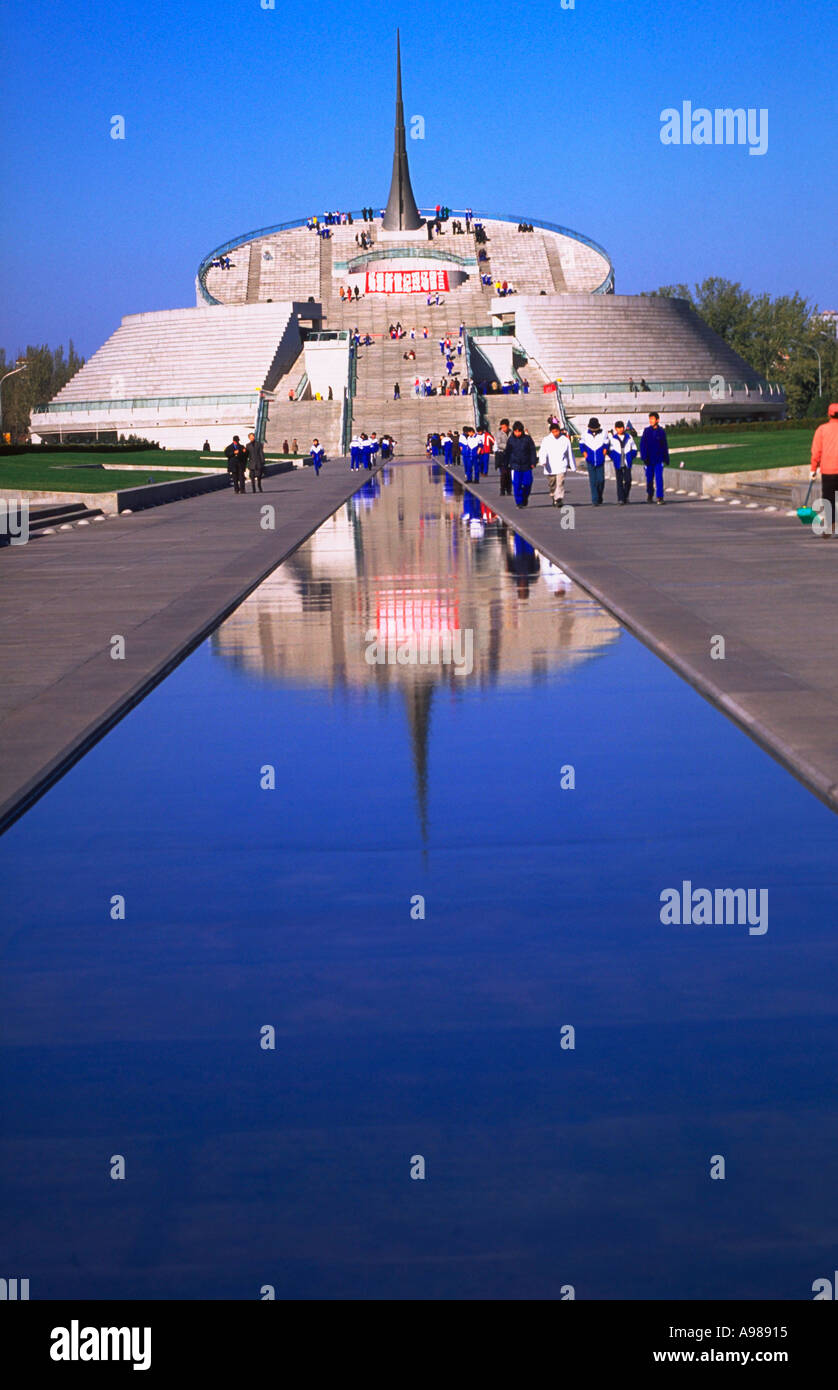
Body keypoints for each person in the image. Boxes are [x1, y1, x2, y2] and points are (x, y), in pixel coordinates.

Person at [811, 402, 838, 535]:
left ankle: (831, 524)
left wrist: (813, 468)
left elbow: (816, 451)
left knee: (828, 499)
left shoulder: (821, 430)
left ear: (829, 414)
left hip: (828, 471)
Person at [539, 422, 575, 506]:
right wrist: (543, 460)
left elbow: (569, 453)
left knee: (560, 483)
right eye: (553, 432)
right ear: (551, 431)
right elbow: (542, 451)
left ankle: (559, 499)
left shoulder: (565, 440)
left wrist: (572, 465)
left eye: (557, 431)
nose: (556, 433)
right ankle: (553, 495)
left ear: (559, 430)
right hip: (550, 466)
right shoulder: (546, 440)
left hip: (561, 465)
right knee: (552, 484)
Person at [505, 420, 537, 507]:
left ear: (522, 431)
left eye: (519, 431)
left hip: (526, 465)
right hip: (515, 466)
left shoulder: (527, 439)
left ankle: (525, 496)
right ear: (514, 431)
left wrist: (533, 462)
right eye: (516, 431)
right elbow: (507, 452)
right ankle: (519, 502)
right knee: (517, 484)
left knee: (528, 483)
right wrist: (506, 464)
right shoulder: (511, 440)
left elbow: (532, 451)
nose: (517, 433)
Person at [639, 411, 669, 504]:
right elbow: (642, 444)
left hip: (658, 459)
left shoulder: (661, 432)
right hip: (648, 460)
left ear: (657, 420)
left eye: (653, 419)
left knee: (659, 478)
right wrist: (644, 457)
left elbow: (664, 445)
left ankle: (660, 497)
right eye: (650, 419)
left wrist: (666, 458)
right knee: (649, 479)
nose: (651, 421)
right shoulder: (647, 431)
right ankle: (650, 494)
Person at [579, 418, 609, 505]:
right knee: (593, 481)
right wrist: (586, 455)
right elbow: (582, 446)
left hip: (600, 460)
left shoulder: (603, 433)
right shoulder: (584, 434)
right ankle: (595, 500)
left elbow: (606, 444)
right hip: (590, 460)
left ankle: (599, 496)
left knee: (601, 480)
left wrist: (603, 454)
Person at [607, 420, 638, 504]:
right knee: (619, 480)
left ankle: (626, 495)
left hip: (627, 460)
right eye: (618, 428)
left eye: (621, 428)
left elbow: (634, 448)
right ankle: (620, 498)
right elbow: (609, 450)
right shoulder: (613, 438)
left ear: (624, 428)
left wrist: (631, 456)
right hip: (618, 461)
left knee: (628, 480)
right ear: (616, 429)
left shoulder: (629, 437)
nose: (620, 429)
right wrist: (614, 457)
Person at [495, 418, 512, 496]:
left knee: (509, 474)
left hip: (510, 455)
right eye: (502, 427)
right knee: (503, 473)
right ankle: (502, 490)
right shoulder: (498, 434)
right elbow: (499, 444)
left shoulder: (512, 433)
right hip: (502, 455)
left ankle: (509, 489)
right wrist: (508, 446)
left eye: (504, 427)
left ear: (508, 426)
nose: (503, 429)